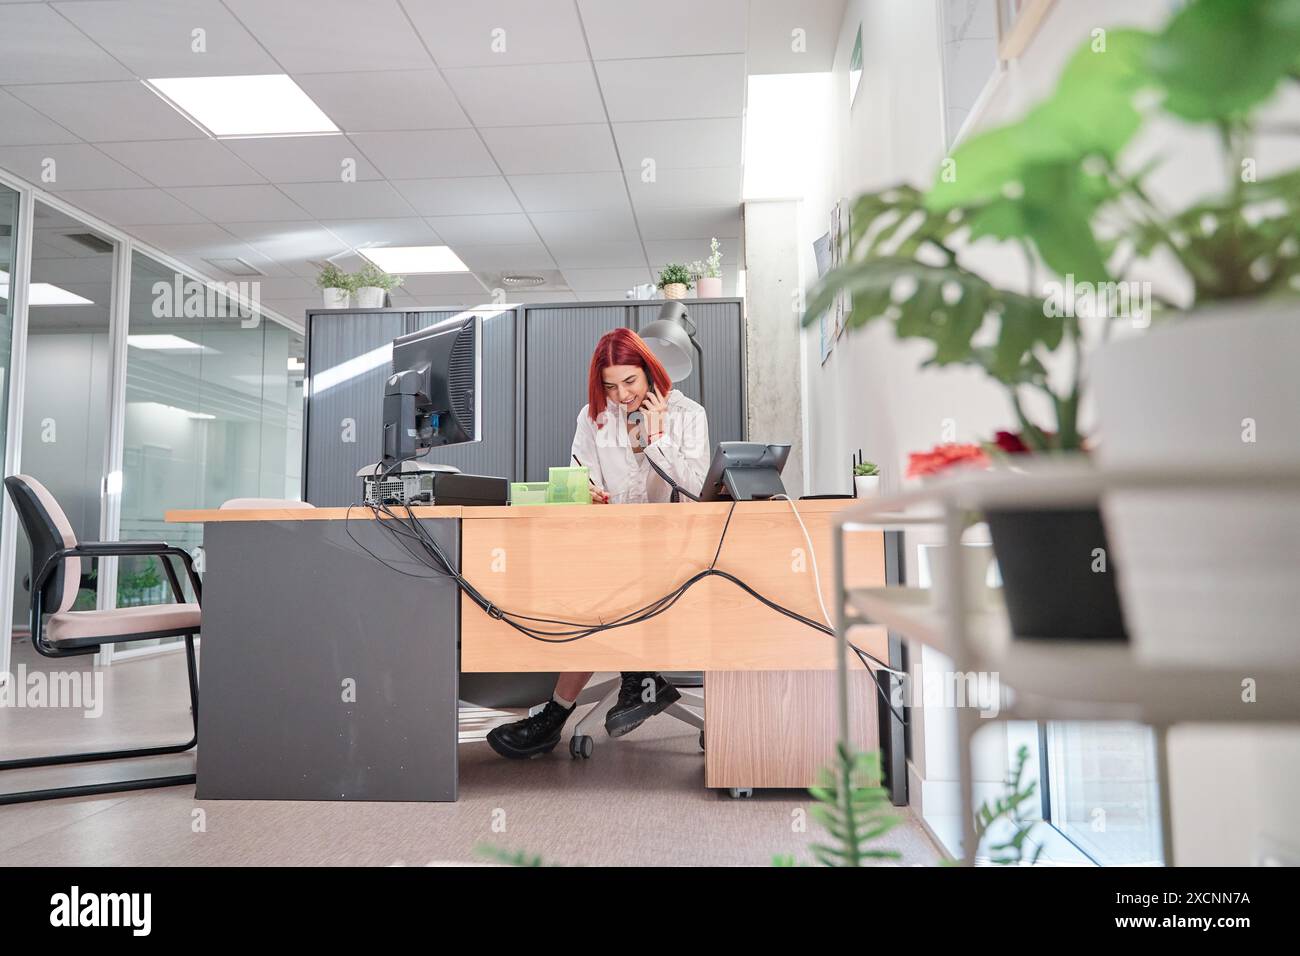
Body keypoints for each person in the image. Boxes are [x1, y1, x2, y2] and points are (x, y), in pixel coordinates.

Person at [487, 327, 710, 759]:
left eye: (630, 381)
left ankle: (559, 713)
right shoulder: (593, 418)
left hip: (673, 550)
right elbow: (580, 478)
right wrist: (584, 492)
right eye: (610, 386)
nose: (622, 395)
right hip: (609, 545)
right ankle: (637, 678)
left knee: (600, 591)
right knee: (584, 585)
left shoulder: (687, 415)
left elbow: (695, 492)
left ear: (650, 371)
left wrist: (658, 440)